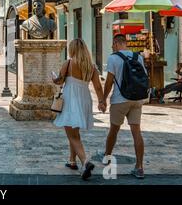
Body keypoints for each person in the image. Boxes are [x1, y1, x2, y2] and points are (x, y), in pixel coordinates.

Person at [52, 38, 105, 180]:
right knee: (74, 131)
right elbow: (98, 87)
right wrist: (102, 101)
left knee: (72, 134)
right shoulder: (91, 66)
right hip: (84, 99)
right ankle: (72, 161)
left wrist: (54, 78)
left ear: (72, 50)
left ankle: (85, 162)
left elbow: (59, 81)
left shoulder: (68, 63)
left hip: (70, 100)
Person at [102, 34, 148, 179]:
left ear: (116, 43)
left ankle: (107, 157)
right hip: (136, 99)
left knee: (113, 131)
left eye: (112, 44)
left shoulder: (113, 58)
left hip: (120, 100)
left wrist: (103, 99)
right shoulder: (137, 57)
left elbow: (109, 82)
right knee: (136, 132)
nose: (112, 47)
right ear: (125, 43)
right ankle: (139, 167)